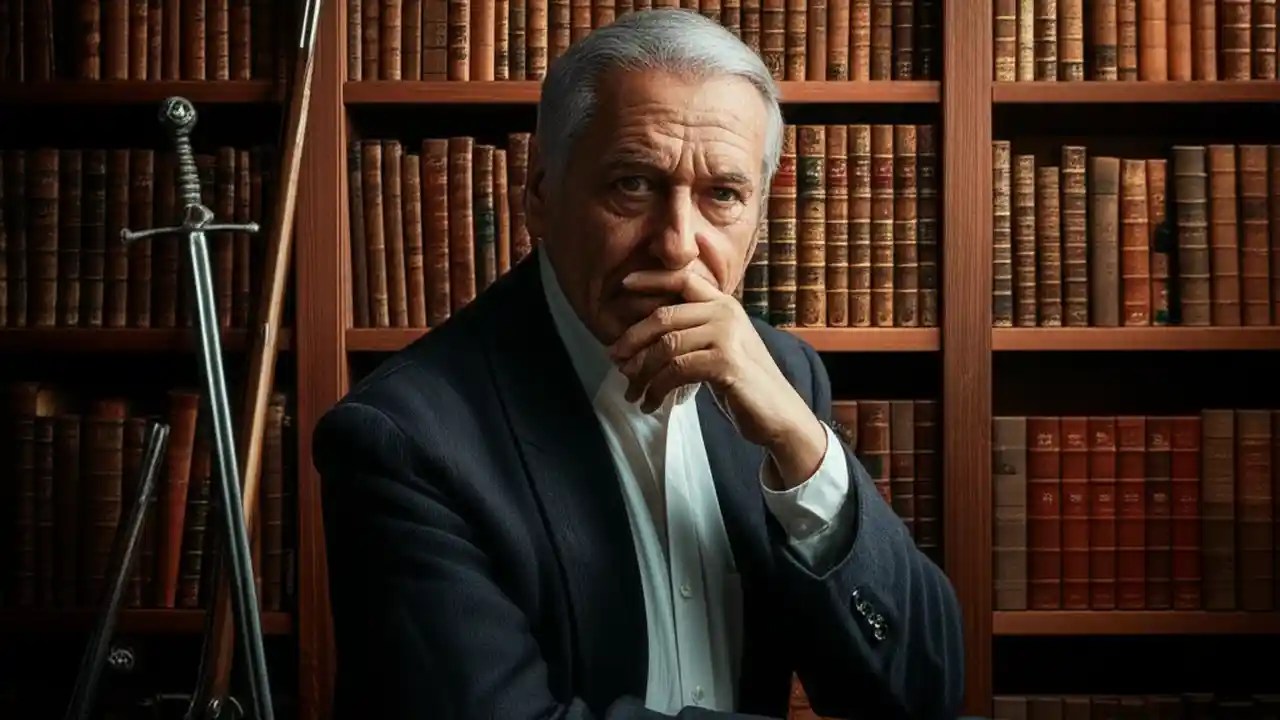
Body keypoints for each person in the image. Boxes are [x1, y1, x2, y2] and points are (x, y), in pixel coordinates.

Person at [312, 8, 965, 719]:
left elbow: (922, 691)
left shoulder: (784, 376)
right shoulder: (402, 438)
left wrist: (804, 446)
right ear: (539, 194)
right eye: (633, 184)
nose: (677, 244)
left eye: (723, 195)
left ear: (758, 224)